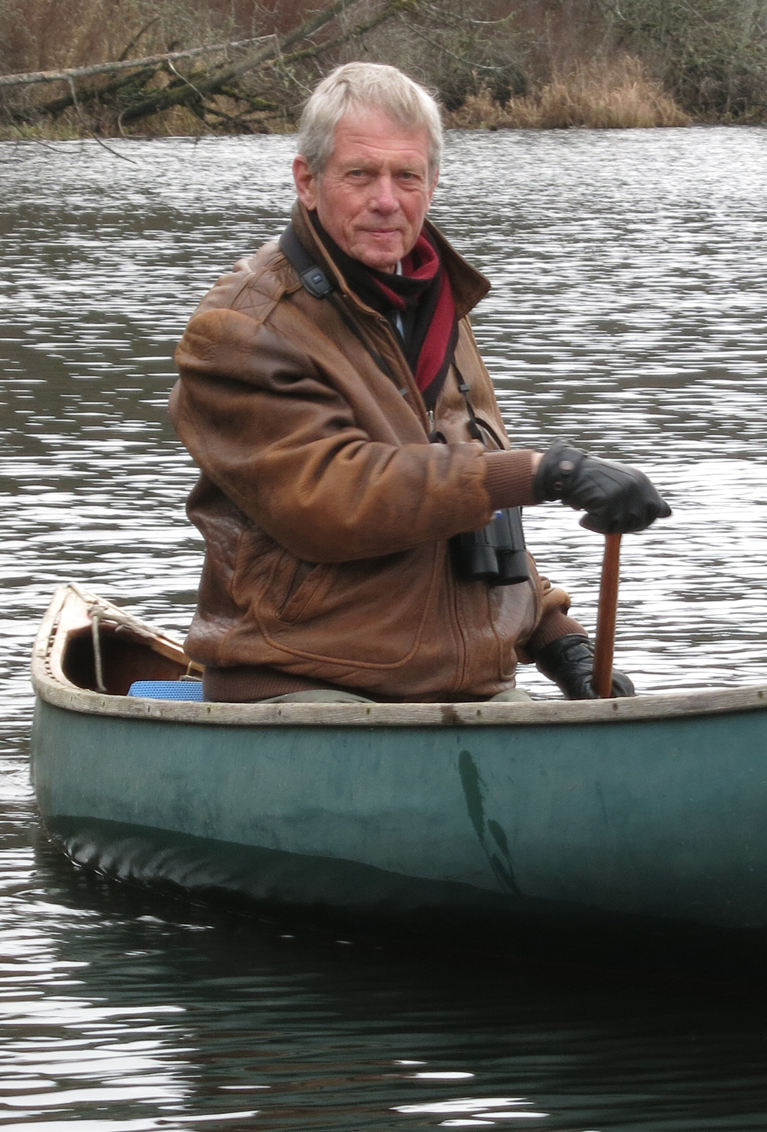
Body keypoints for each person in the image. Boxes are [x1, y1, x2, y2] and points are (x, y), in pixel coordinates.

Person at [169, 61, 670, 704]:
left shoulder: (437, 309)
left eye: (407, 175)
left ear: (432, 183)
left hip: (466, 687)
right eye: (360, 174)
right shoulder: (241, 327)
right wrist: (544, 472)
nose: (387, 199)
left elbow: (473, 491)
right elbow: (335, 497)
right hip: (303, 683)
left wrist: (554, 636)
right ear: (308, 181)